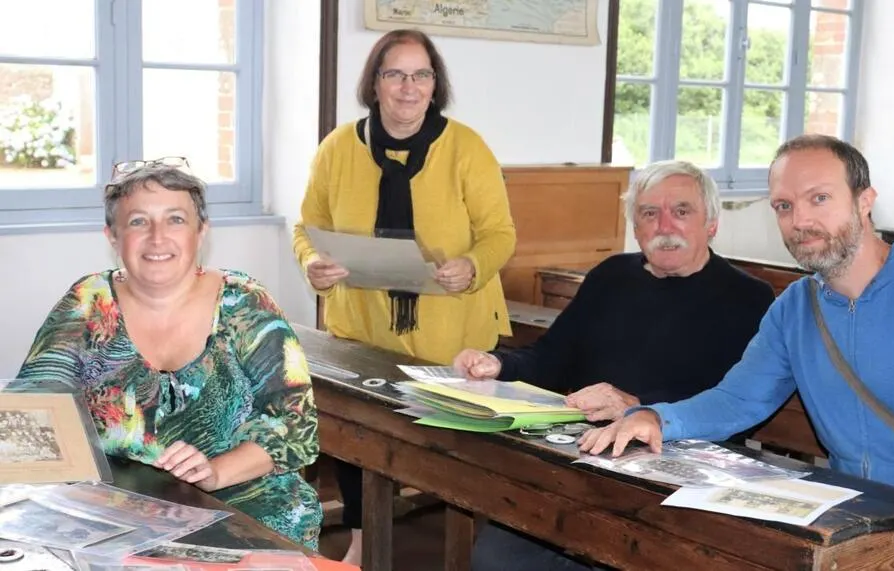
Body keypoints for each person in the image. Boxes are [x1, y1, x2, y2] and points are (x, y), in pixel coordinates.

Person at [579, 135, 894, 571]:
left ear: (864, 201)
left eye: (819, 198)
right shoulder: (796, 308)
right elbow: (738, 400)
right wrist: (655, 418)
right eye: (784, 206)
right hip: (862, 526)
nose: (800, 220)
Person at [452, 159, 776, 571]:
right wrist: (498, 364)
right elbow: (553, 357)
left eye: (681, 211)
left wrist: (638, 405)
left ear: (711, 223)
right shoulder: (611, 276)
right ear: (635, 227)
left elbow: (734, 406)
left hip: (677, 471)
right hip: (585, 458)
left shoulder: (748, 297)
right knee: (496, 558)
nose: (665, 226)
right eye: (649, 213)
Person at [291, 30, 516, 565]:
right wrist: (313, 264)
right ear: (375, 83)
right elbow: (306, 228)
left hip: (451, 329)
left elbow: (499, 234)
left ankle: (470, 547)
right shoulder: (338, 148)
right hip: (362, 328)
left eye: (421, 75)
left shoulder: (466, 147)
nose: (408, 87)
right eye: (395, 74)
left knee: (453, 451)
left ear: (436, 85)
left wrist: (473, 265)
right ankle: (362, 544)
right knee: (357, 438)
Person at [17, 161, 322, 549]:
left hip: (249, 510)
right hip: (117, 514)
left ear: (201, 231)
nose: (157, 238)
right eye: (138, 222)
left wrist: (215, 471)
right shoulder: (87, 304)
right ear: (113, 236)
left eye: (175, 219)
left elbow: (295, 423)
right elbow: (32, 410)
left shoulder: (244, 302)